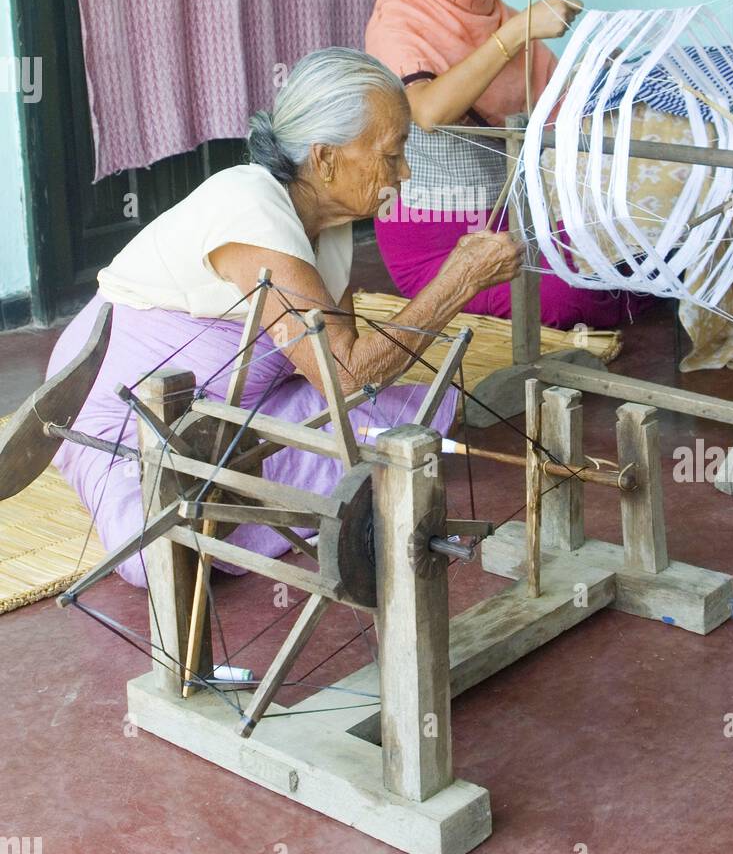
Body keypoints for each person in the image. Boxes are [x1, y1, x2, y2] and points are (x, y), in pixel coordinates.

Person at [45, 48, 523, 587]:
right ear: (325, 160)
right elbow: (347, 374)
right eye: (392, 154)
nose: (404, 171)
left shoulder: (333, 223)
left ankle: (244, 485)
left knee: (400, 421)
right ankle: (216, 497)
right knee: (159, 546)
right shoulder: (248, 204)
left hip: (241, 411)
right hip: (128, 420)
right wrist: (457, 280)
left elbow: (348, 373)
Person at [365, 0, 646, 330]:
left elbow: (557, 107)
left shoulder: (496, 15)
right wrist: (515, 35)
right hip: (436, 243)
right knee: (567, 296)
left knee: (628, 252)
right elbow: (430, 111)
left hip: (511, 220)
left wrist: (602, 71)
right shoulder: (397, 24)